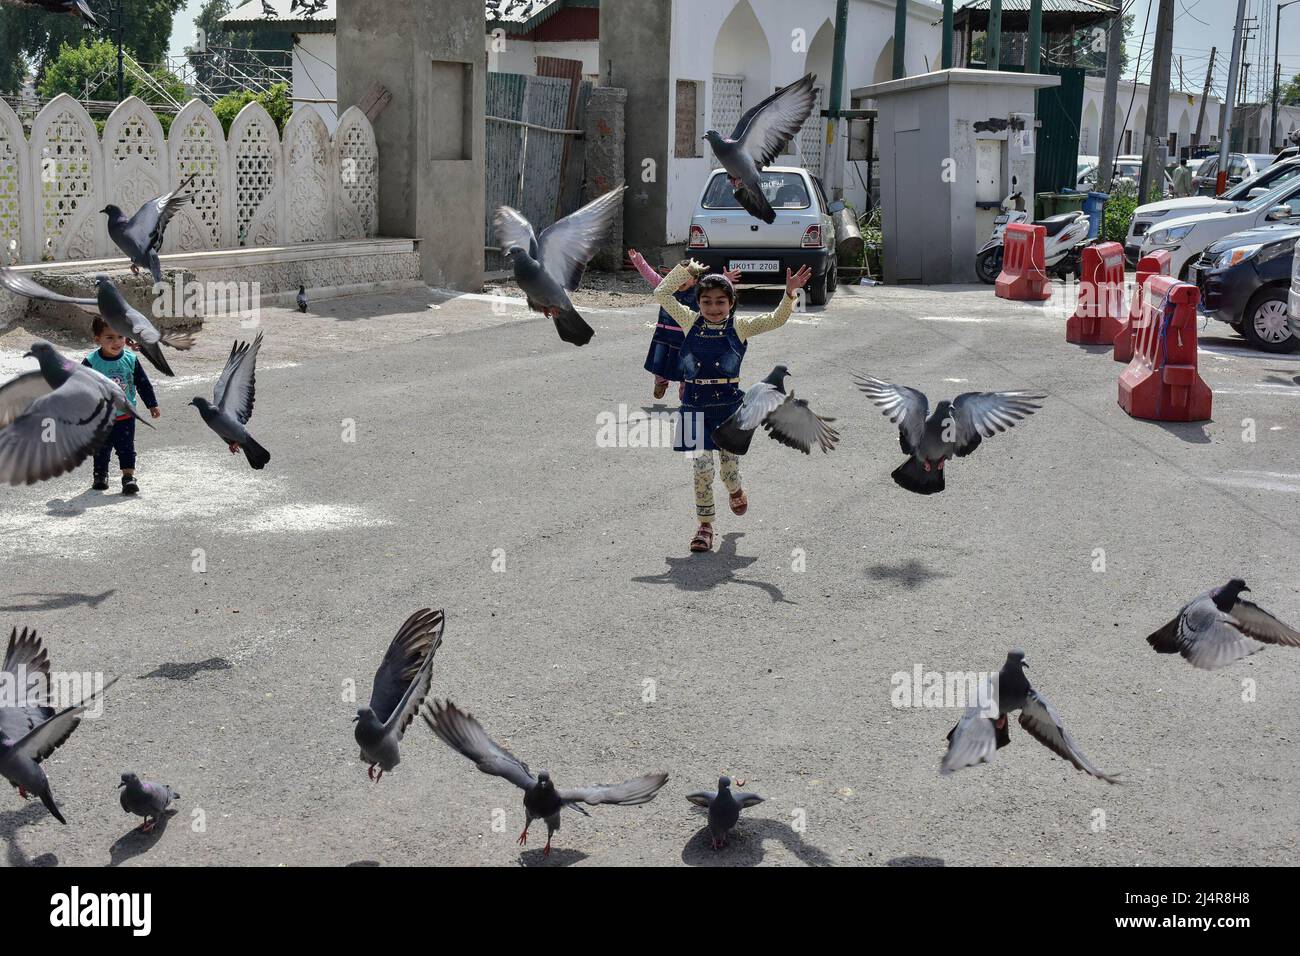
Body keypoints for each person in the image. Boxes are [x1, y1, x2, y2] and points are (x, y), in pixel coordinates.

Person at [652, 259, 812, 553]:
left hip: (728, 410)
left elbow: (776, 319)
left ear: (731, 302)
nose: (713, 307)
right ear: (698, 302)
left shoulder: (740, 327)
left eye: (720, 302)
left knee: (728, 469)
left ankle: (735, 488)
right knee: (700, 468)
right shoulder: (689, 320)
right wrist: (684, 272)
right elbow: (661, 295)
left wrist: (789, 295)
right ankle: (705, 525)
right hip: (693, 407)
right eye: (707, 301)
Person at [628, 249, 740, 400]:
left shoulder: (698, 294)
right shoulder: (666, 288)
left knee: (686, 370)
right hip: (664, 337)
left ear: (694, 280)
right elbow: (650, 275)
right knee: (659, 364)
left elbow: (713, 286)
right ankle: (661, 382)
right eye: (680, 275)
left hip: (685, 341)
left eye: (686, 276)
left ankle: (685, 393)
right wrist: (638, 261)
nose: (681, 280)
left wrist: (724, 278)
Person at [83, 317, 160, 494]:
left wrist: (152, 404)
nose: (116, 342)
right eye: (109, 337)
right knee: (101, 448)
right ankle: (100, 476)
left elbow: (142, 383)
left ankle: (128, 477)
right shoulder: (92, 362)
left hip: (125, 416)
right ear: (97, 339)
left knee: (126, 448)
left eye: (120, 336)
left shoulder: (131, 359)